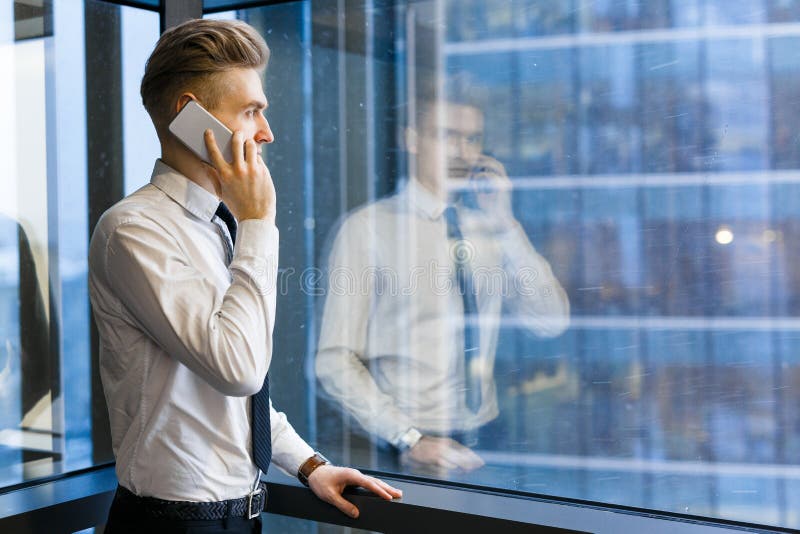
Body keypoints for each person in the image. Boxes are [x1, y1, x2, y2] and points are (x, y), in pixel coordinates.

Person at [88, 19, 401, 533]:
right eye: (251, 111)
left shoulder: (216, 226)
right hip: (173, 525)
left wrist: (310, 465)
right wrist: (258, 222)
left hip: (241, 518)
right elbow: (238, 368)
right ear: (188, 114)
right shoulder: (133, 230)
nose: (266, 133)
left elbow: (235, 399)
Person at [315, 97, 570, 473]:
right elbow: (333, 361)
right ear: (412, 139)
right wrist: (407, 437)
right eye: (447, 135)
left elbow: (550, 321)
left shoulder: (490, 229)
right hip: (407, 444)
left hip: (489, 434)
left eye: (472, 139)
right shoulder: (368, 228)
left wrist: (506, 223)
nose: (462, 151)